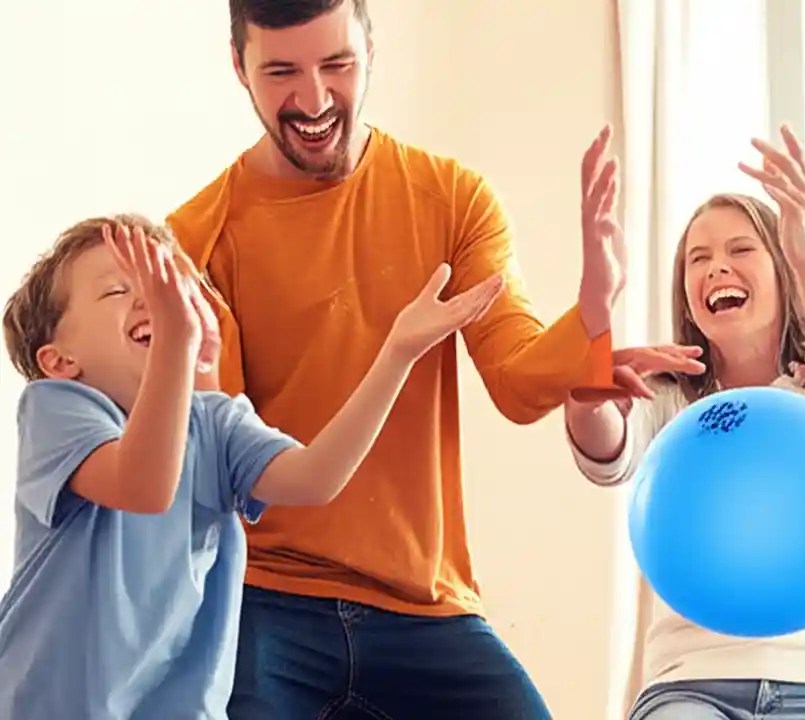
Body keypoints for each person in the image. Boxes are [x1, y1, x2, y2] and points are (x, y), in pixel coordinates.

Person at [168, 0, 697, 717]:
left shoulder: (452, 199)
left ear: (372, 49)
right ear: (239, 67)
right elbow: (233, 475)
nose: (316, 99)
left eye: (338, 64)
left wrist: (594, 310)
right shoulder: (195, 240)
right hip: (268, 599)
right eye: (282, 71)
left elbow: (516, 381)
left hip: (426, 607)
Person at [0, 217, 502, 718]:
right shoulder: (58, 409)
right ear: (59, 359)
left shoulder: (214, 420)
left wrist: (397, 353)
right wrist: (177, 341)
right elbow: (144, 486)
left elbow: (316, 477)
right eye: (116, 290)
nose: (149, 299)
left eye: (164, 285)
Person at [565, 127, 805, 720]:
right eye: (698, 259)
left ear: (782, 271)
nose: (716, 267)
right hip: (690, 682)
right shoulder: (670, 398)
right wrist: (594, 318)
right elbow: (604, 446)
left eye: (740, 250)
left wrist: (804, 246)